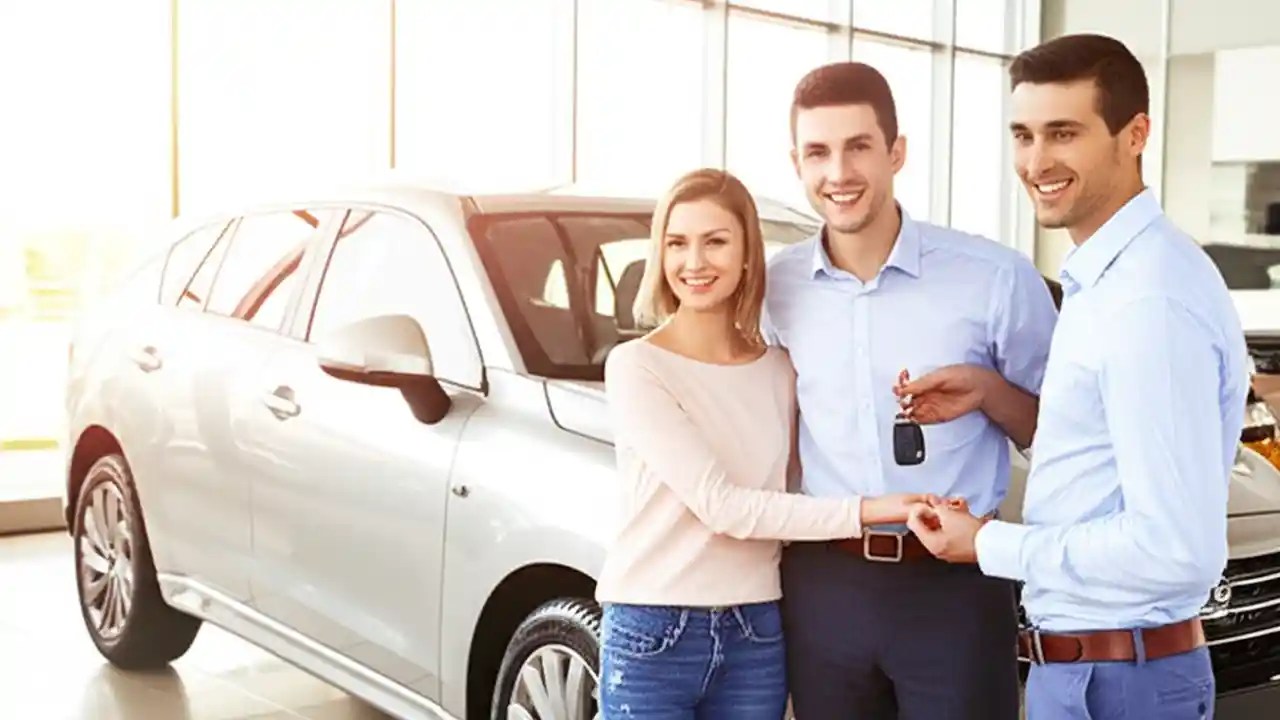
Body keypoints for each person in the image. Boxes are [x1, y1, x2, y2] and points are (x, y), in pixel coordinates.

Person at [903, 33, 1249, 719]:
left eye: (1063, 133)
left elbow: (1174, 548)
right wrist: (992, 394)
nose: (1036, 162)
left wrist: (987, 544)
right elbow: (1100, 466)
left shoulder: (1148, 300)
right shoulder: (1109, 280)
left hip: (1123, 682)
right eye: (1023, 135)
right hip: (1097, 673)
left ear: (1135, 134)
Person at [758, 61, 1059, 719]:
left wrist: (985, 390)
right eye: (818, 152)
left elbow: (1060, 437)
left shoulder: (995, 279)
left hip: (955, 585)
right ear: (796, 162)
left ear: (896, 152)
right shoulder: (772, 291)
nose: (838, 173)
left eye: (858, 146)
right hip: (822, 587)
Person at [596, 168, 932, 719]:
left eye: (715, 242)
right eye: (677, 243)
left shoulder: (779, 370)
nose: (694, 262)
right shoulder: (637, 366)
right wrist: (877, 511)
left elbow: (793, 491)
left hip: (755, 629)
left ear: (749, 254)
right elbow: (722, 506)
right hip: (654, 629)